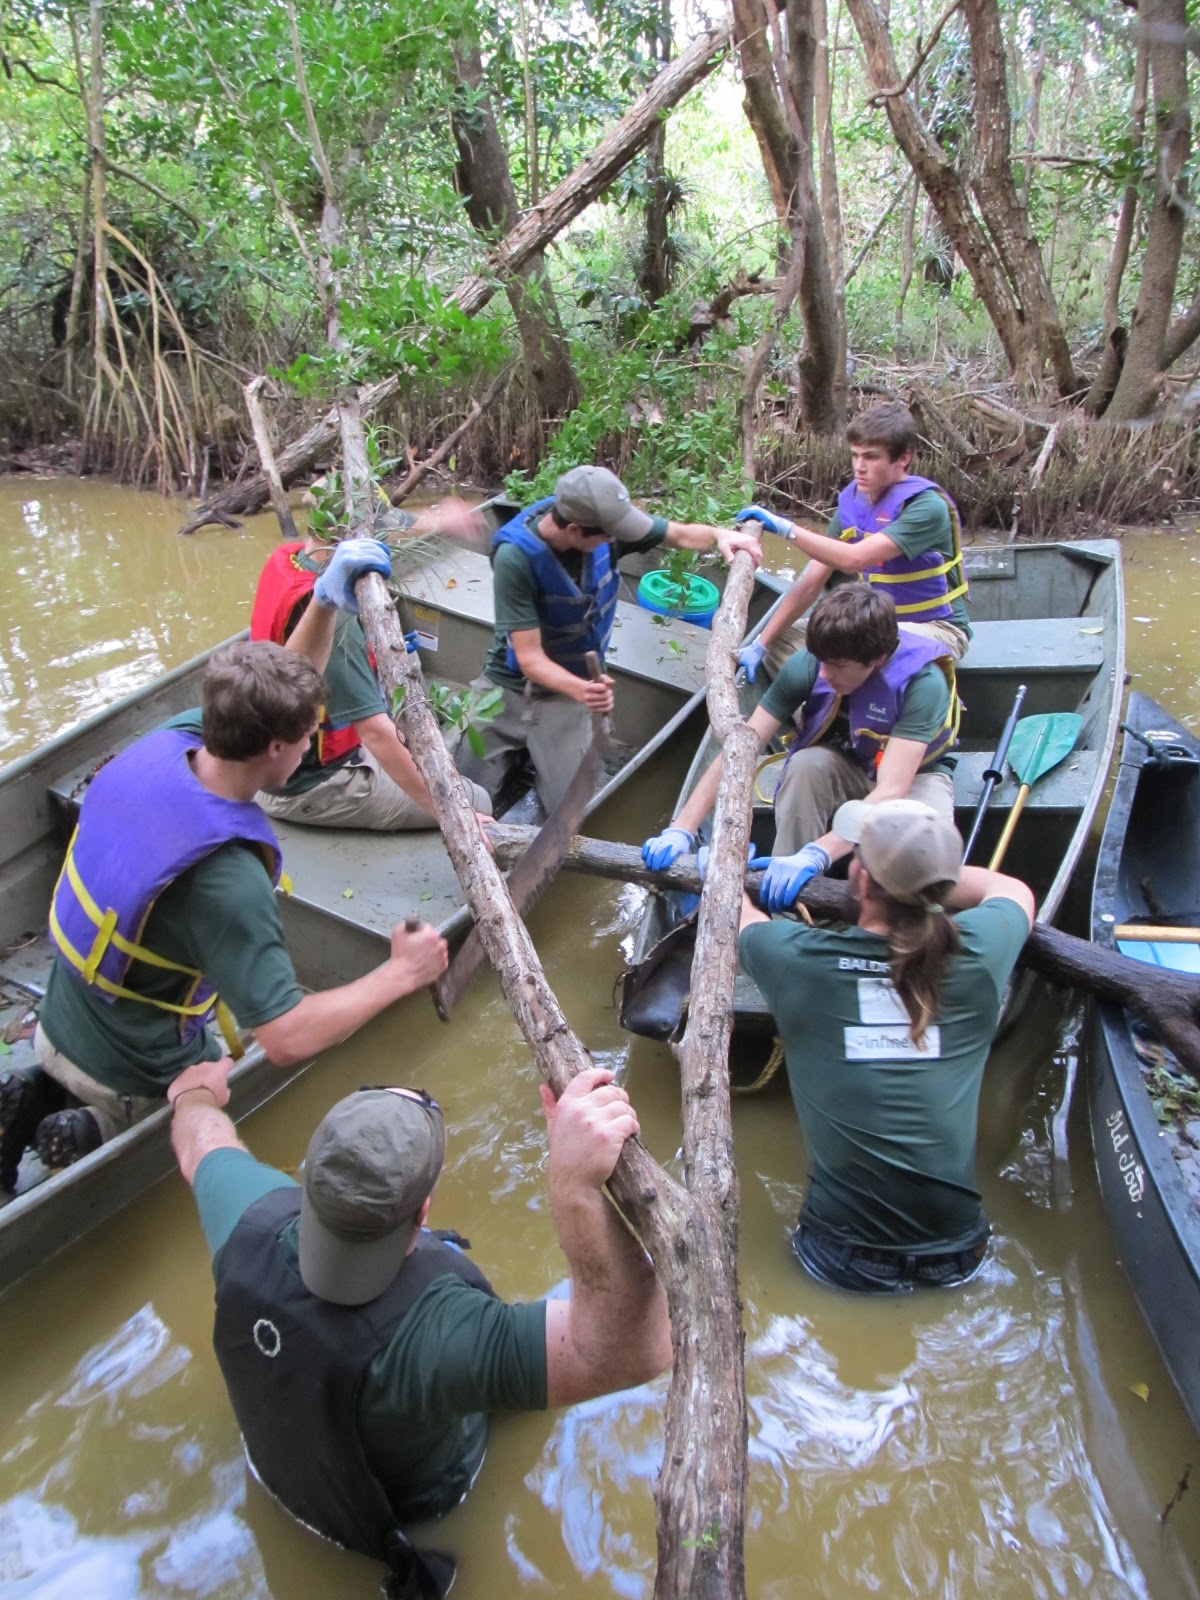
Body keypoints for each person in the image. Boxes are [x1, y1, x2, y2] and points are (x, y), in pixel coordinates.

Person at [0, 545, 449, 1180]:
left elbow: (283, 687)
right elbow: (286, 1036)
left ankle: (39, 1088)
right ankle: (98, 1125)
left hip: (60, 1013)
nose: (312, 745)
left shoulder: (175, 740)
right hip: (135, 1066)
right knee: (208, 1082)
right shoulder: (227, 876)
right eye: (308, 737)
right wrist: (402, 973)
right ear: (277, 749)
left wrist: (324, 602)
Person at [169, 1059, 672, 1596]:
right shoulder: (438, 1337)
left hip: (286, 1486)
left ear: (309, 1177)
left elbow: (200, 1144)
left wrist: (192, 1094)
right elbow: (641, 1347)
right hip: (423, 1507)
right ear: (423, 1211)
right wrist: (574, 1187)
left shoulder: (248, 1221)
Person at [737, 797, 1035, 1294]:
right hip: (960, 1253)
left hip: (839, 1257)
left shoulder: (795, 959)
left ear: (861, 880)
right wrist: (927, 875)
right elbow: (1011, 889)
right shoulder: (982, 952)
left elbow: (735, 914)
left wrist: (722, 872)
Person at [455, 465, 762, 813]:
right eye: (607, 537)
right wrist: (584, 691)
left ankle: (535, 755)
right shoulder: (516, 558)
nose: (616, 541)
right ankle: (516, 753)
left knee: (570, 810)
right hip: (508, 687)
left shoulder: (606, 524)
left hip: (565, 697)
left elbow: (678, 534)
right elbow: (529, 659)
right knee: (462, 796)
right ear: (574, 530)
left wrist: (721, 535)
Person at [642, 584, 960, 913]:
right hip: (849, 765)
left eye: (837, 665)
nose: (824, 673)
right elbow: (741, 748)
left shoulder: (923, 684)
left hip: (914, 780)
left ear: (877, 659)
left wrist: (818, 853)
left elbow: (892, 790)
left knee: (928, 856)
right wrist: (683, 828)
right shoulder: (809, 665)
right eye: (821, 661)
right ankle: (788, 907)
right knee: (806, 765)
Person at [250, 497, 493, 833]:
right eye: (376, 534)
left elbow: (399, 525)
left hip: (288, 741)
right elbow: (375, 732)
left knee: (405, 653)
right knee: (477, 800)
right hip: (312, 779)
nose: (384, 541)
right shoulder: (334, 619)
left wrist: (440, 518)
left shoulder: (290, 558)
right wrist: (455, 815)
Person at [734, 401, 971, 682]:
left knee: (855, 645)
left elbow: (853, 559)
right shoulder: (853, 507)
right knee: (780, 640)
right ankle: (821, 706)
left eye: (871, 457)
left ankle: (850, 700)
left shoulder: (926, 507)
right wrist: (760, 645)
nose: (859, 467)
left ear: (903, 459)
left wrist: (783, 527)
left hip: (937, 629)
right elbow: (810, 584)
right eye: (855, 455)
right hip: (875, 626)